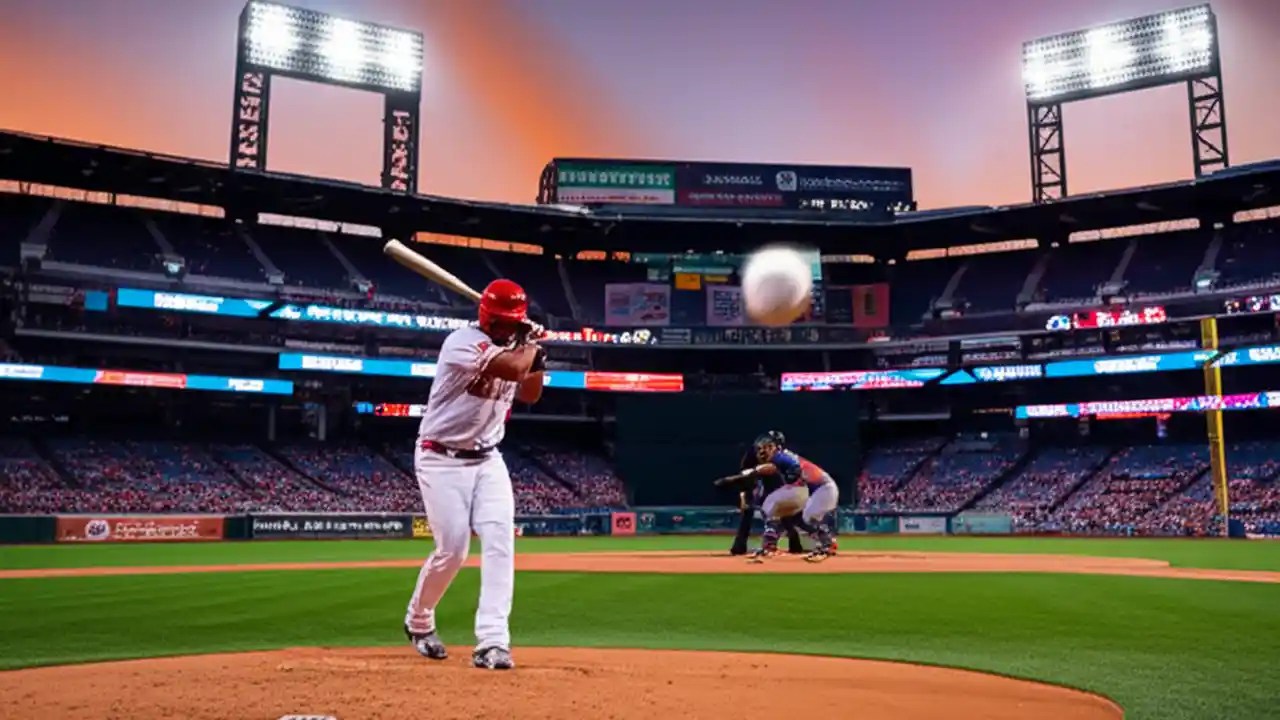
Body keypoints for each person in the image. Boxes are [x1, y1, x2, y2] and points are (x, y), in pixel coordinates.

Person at [403, 279, 546, 671]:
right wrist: (529, 342)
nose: (504, 329)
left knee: (501, 541)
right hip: (440, 457)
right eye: (501, 323)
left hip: (487, 459)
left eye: (509, 323)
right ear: (486, 317)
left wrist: (537, 353)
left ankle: (493, 641)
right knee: (453, 550)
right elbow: (514, 368)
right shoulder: (462, 342)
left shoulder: (514, 345)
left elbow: (531, 392)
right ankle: (419, 619)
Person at [719, 431, 840, 563]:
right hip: (810, 489)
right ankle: (770, 545)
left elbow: (786, 469)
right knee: (775, 507)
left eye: (767, 447)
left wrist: (734, 478)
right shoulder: (780, 456)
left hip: (823, 487)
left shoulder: (780, 456)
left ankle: (827, 545)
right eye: (761, 448)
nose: (763, 451)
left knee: (805, 515)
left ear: (776, 447)